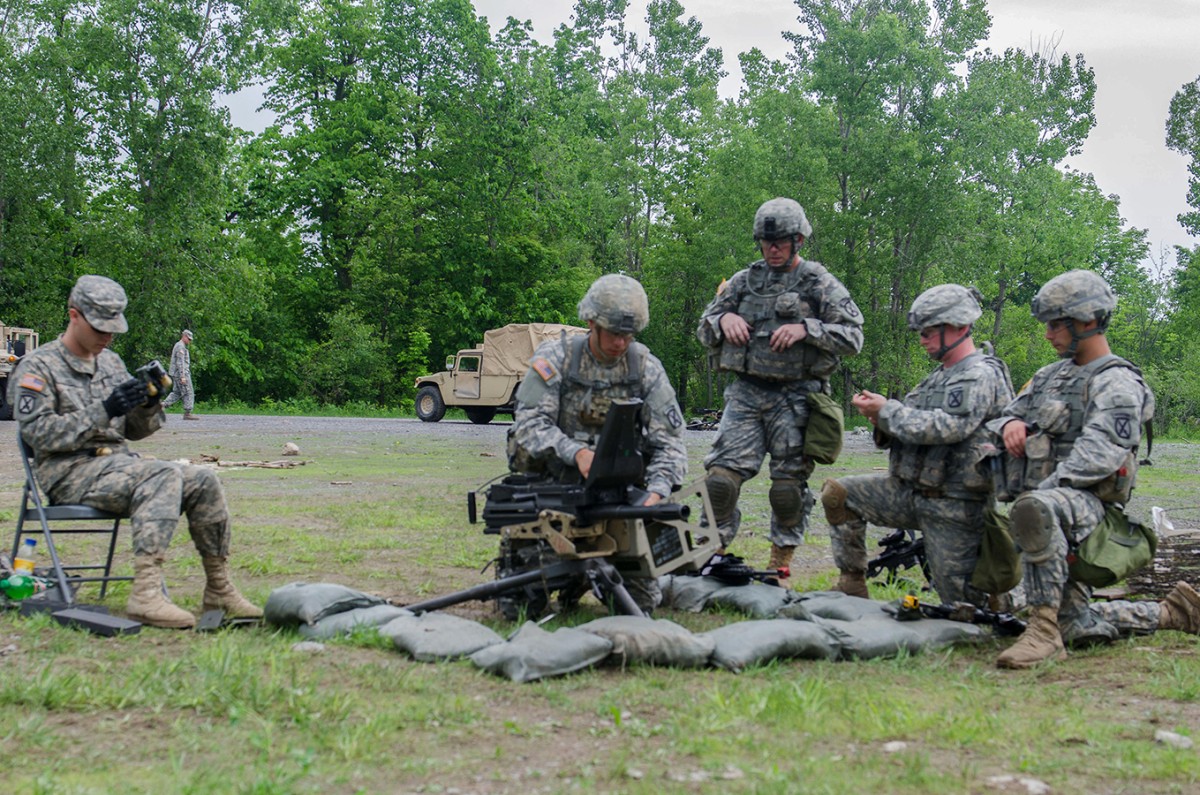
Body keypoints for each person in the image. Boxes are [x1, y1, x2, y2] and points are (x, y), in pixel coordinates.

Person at [7, 275, 261, 629]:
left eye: (113, 329)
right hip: (67, 473)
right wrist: (104, 409)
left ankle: (218, 588)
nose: (108, 336)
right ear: (74, 315)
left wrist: (147, 405)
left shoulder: (110, 363)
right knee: (161, 473)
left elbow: (135, 432)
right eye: (100, 328)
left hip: (119, 466)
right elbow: (38, 435)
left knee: (203, 478)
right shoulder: (37, 367)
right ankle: (145, 593)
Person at [989, 269, 1199, 668]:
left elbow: (1099, 456)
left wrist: (1034, 502)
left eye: (1055, 324)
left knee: (1037, 509)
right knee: (1055, 619)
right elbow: (1002, 418)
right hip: (1043, 513)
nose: (1048, 334)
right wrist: (1010, 424)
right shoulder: (1049, 376)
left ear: (1086, 320)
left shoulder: (1117, 383)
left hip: (1089, 513)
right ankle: (1171, 614)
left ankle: (1044, 636)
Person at [696, 197, 863, 574]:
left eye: (781, 241)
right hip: (746, 393)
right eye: (766, 242)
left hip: (798, 397)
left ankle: (780, 568)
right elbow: (704, 328)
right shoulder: (743, 281)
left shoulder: (819, 282)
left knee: (787, 491)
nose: (772, 249)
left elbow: (853, 337)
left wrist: (807, 329)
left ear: (799, 240)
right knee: (721, 482)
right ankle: (710, 559)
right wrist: (723, 323)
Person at [820, 284, 1015, 605]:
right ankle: (852, 582)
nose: (922, 339)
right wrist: (880, 419)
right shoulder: (936, 378)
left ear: (960, 327)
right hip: (911, 492)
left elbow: (950, 427)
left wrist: (888, 411)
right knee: (839, 495)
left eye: (928, 331)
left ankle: (1007, 599)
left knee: (965, 607)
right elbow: (908, 423)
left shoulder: (980, 375)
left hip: (955, 504)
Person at [507, 274, 687, 612]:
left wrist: (658, 491)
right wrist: (576, 454)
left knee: (640, 605)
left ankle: (603, 568)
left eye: (628, 335)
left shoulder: (646, 368)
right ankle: (545, 560)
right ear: (592, 322)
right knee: (519, 605)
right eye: (614, 333)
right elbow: (529, 424)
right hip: (555, 493)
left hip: (618, 500)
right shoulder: (556, 358)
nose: (621, 343)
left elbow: (671, 443)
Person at [161, 329, 197, 419]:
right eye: (188, 339)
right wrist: (183, 376)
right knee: (188, 392)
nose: (189, 341)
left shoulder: (180, 346)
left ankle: (162, 405)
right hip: (181, 374)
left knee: (177, 392)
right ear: (184, 336)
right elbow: (180, 362)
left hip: (177, 373)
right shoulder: (180, 347)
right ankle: (188, 413)